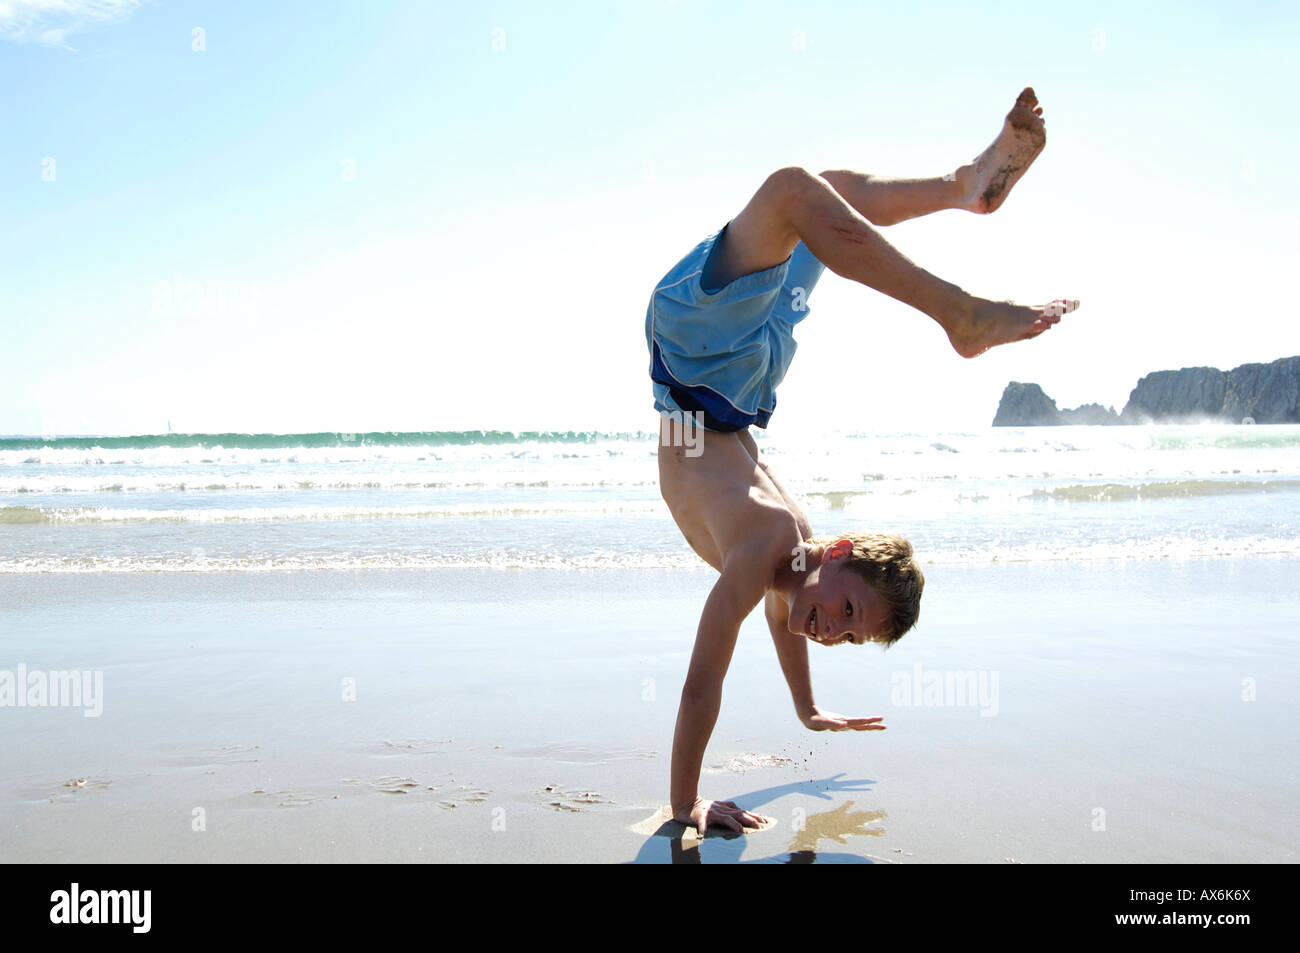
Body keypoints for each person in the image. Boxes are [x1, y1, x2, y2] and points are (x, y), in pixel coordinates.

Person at [647, 87, 1078, 836]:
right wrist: (685, 807)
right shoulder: (770, 542)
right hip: (701, 360)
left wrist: (807, 709)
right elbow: (699, 686)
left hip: (723, 383)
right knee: (797, 194)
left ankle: (965, 187)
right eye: (846, 610)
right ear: (838, 551)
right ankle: (959, 301)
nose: (830, 629)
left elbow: (788, 612)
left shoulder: (788, 553)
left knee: (816, 199)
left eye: (846, 635)